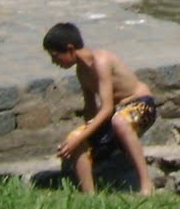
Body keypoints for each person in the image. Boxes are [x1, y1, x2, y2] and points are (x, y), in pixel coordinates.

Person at [43, 22, 157, 194]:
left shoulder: (101, 62)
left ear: (71, 49)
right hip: (114, 114)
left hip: (141, 105)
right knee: (75, 139)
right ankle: (90, 196)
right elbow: (90, 108)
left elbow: (106, 107)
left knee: (119, 122)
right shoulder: (81, 72)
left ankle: (147, 185)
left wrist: (83, 134)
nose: (54, 62)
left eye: (55, 56)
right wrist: (82, 137)